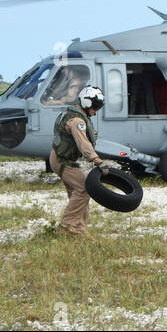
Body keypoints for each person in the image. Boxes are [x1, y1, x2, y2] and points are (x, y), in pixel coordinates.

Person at [49, 85, 111, 236]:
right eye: (95, 107)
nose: (95, 111)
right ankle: (68, 225)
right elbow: (84, 144)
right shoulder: (77, 121)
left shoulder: (76, 116)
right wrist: (97, 161)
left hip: (62, 158)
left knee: (78, 193)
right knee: (84, 189)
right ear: (87, 103)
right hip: (62, 160)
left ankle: (79, 229)